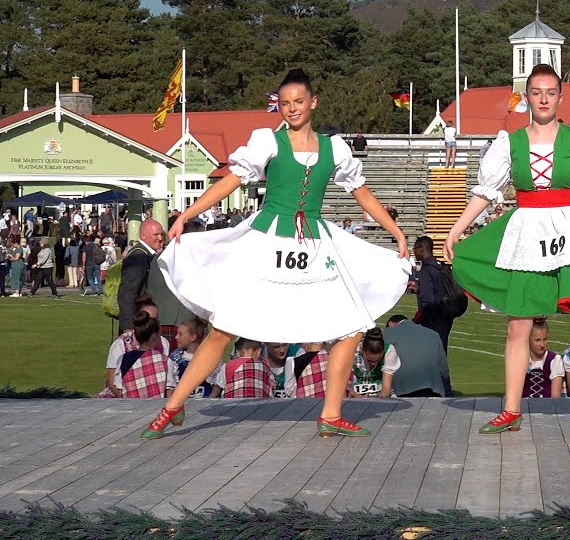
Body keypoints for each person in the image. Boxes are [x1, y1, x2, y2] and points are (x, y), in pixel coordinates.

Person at [144, 69, 411, 440]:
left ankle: (331, 413)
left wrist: (395, 231)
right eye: (285, 103)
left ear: (313, 102)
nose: (292, 109)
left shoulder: (334, 148)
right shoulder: (267, 142)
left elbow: (361, 193)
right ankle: (172, 407)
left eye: (299, 102)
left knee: (351, 326)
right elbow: (232, 181)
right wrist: (186, 214)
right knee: (224, 329)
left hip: (315, 245)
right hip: (268, 243)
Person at [445, 64, 570, 433]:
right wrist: (457, 228)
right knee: (517, 325)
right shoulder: (510, 142)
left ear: (560, 96)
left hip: (567, 231)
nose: (543, 98)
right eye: (536, 92)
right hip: (526, 231)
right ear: (527, 97)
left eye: (550, 92)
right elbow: (486, 191)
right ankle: (510, 409)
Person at [98, 299, 170, 398]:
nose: (151, 324)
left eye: (155, 319)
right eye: (148, 319)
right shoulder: (120, 344)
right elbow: (112, 383)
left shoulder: (164, 343)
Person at [385, 315, 451, 397]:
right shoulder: (434, 334)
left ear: (390, 323)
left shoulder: (387, 333)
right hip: (433, 389)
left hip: (402, 390)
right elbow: (444, 370)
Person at [412, 236, 455, 352]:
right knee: (441, 352)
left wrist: (417, 321)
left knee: (431, 355)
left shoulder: (426, 269)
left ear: (422, 249)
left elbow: (427, 301)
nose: (414, 251)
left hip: (432, 319)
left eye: (415, 248)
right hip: (446, 314)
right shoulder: (441, 265)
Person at [165, 318, 224, 400]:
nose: (176, 337)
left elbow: (216, 385)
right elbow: (170, 387)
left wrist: (209, 401)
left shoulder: (211, 358)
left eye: (180, 334)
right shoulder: (175, 358)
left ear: (192, 337)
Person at [117, 313, 168, 398]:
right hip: (156, 409)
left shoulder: (123, 359)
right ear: (154, 336)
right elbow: (170, 393)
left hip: (131, 409)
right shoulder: (165, 361)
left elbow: (120, 391)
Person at [349, 327, 398, 398]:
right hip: (354, 395)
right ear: (362, 349)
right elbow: (344, 386)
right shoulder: (351, 351)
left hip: (380, 395)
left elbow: (386, 388)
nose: (373, 364)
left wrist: (376, 400)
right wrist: (359, 397)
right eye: (369, 360)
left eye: (378, 360)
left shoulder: (389, 351)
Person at [523, 318, 564, 398]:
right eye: (537, 340)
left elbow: (555, 399)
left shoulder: (554, 360)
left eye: (545, 339)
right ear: (527, 339)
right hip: (523, 407)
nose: (542, 344)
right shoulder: (520, 360)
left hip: (547, 408)